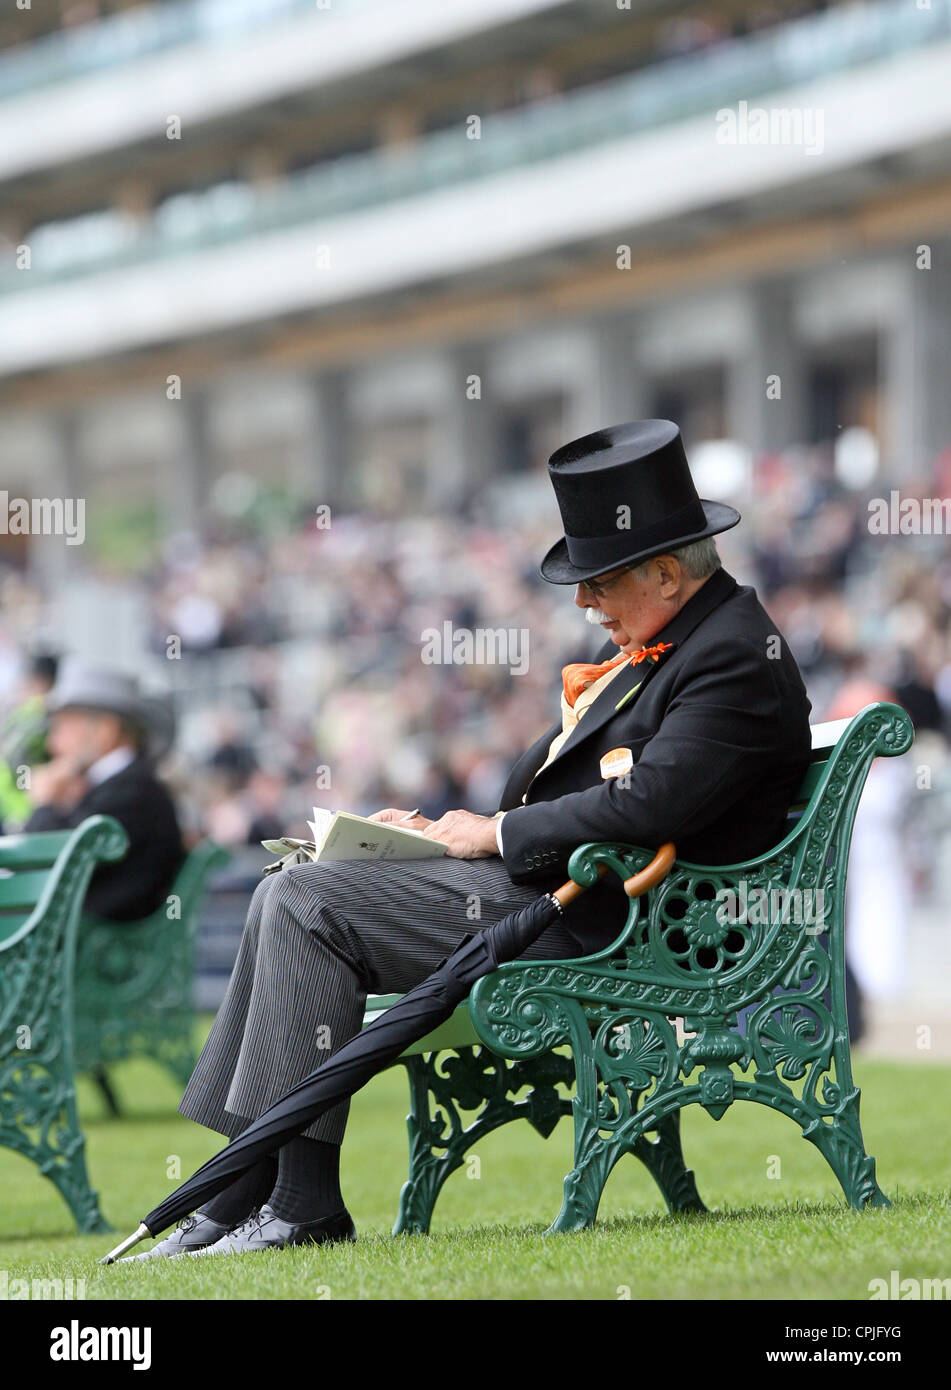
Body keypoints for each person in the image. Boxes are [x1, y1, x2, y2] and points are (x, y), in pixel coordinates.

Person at [144, 419, 811, 1261]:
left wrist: (493, 832)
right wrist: (430, 837)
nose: (582, 601)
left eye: (596, 580)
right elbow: (536, 794)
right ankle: (250, 1181)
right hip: (573, 894)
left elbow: (648, 806)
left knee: (307, 903)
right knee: (295, 881)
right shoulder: (670, 643)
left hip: (629, 926)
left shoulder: (730, 654)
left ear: (667, 573)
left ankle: (289, 1198)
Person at [24, 660, 185, 922]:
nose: (53, 745)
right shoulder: (127, 787)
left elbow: (44, 864)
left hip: (101, 951)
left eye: (63, 727)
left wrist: (45, 803)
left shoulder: (132, 791)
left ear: (105, 730)